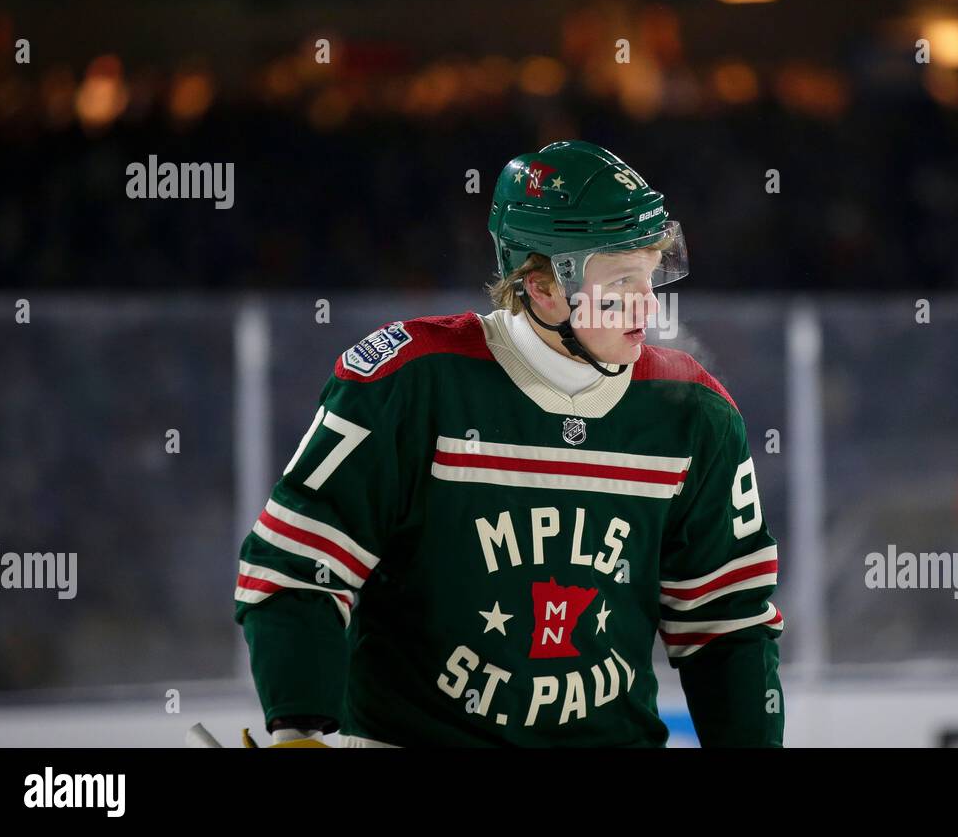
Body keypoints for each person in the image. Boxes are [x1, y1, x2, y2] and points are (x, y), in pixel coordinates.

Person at [234, 140, 784, 746]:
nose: (649, 303)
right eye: (623, 279)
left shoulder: (694, 416)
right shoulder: (410, 385)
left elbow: (728, 626)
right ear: (542, 287)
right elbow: (300, 567)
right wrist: (299, 728)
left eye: (651, 274)